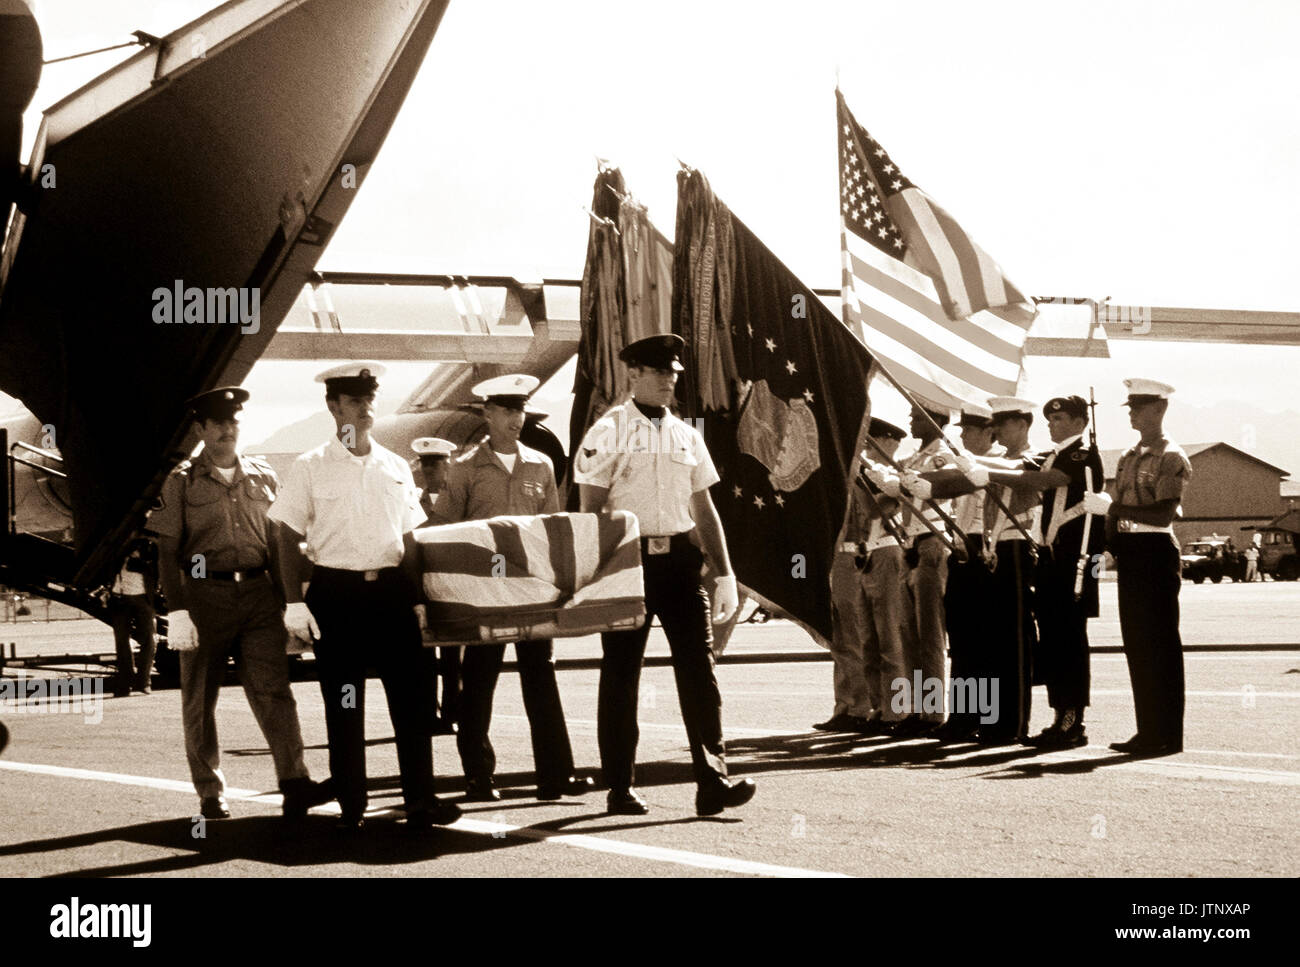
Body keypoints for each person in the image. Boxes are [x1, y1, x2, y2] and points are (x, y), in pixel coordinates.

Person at [269, 363, 460, 832]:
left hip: (392, 595)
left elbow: (410, 538)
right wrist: (293, 603)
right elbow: (285, 535)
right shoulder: (310, 466)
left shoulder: (395, 466)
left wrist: (417, 598)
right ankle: (352, 801)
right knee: (346, 702)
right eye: (355, 400)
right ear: (333, 406)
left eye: (370, 399)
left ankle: (420, 800)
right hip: (339, 596)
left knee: (412, 700)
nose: (366, 407)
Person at [575, 334, 754, 817]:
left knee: (700, 673)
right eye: (658, 372)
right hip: (627, 561)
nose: (668, 380)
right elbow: (590, 509)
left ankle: (713, 781)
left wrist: (725, 572)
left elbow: (704, 508)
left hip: (678, 562)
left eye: (673, 373)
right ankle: (619, 785)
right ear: (632, 374)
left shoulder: (686, 434)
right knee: (621, 674)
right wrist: (598, 577)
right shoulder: (608, 430)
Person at [152, 387, 332, 821]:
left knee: (275, 692)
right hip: (204, 597)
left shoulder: (263, 475)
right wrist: (177, 610)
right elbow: (168, 550)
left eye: (233, 422)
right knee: (200, 699)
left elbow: (277, 541)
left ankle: (294, 782)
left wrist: (292, 601)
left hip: (258, 596)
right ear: (201, 429)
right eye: (218, 423)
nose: (227, 430)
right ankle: (210, 791)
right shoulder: (181, 481)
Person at [428, 375, 594, 802]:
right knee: (478, 682)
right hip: (485, 594)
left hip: (530, 593)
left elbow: (550, 529)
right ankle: (478, 776)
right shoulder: (464, 469)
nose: (515, 418)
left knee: (541, 679)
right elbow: (446, 531)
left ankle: (555, 775)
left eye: (520, 409)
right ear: (487, 413)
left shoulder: (541, 464)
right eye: (506, 409)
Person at [982, 396, 1108, 749]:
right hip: (1052, 557)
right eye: (1050, 419)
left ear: (1081, 421)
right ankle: (1059, 717)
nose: (1052, 424)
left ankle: (1073, 720)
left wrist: (987, 472)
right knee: (1053, 639)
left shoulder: (1082, 453)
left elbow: (1044, 480)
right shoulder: (1055, 452)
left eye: (1061, 418)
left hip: (1076, 557)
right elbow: (1030, 470)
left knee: (1069, 639)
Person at [1106, 379, 1191, 758]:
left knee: (1160, 645)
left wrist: (1112, 510)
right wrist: (1112, 539)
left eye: (1140, 407)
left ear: (1159, 410)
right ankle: (1148, 729)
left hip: (1155, 548)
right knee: (1138, 645)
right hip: (1132, 549)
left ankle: (1167, 734)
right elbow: (1117, 502)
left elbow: (1162, 513)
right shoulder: (1127, 456)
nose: (1133, 413)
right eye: (1131, 407)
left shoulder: (1171, 456)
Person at [821, 417, 913, 735]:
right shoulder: (852, 470)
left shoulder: (888, 474)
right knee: (856, 638)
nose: (864, 445)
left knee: (890, 636)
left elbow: (878, 510)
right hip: (854, 551)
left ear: (887, 443)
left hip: (883, 549)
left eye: (871, 441)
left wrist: (864, 476)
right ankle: (862, 706)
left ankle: (897, 709)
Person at [974, 397, 1041, 745]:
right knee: (993, 639)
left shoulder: (1036, 458)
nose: (996, 429)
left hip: (1017, 547)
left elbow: (1025, 480)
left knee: (1014, 639)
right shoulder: (996, 461)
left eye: (1003, 422)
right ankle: (993, 718)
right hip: (997, 549)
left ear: (1022, 424)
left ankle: (1013, 723)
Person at [930, 403, 999, 743]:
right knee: (962, 639)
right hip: (960, 549)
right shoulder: (966, 465)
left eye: (969, 430)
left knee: (983, 640)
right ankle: (962, 715)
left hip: (983, 549)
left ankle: (986, 716)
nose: (963, 436)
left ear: (990, 432)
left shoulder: (995, 463)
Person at [887, 406, 956, 737]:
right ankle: (916, 707)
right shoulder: (914, 458)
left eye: (916, 417)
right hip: (909, 541)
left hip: (932, 541)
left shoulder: (943, 456)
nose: (910, 421)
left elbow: (940, 491)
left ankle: (932, 711)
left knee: (929, 632)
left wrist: (908, 482)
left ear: (937, 420)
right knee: (907, 632)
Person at [412, 436, 461, 735]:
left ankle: (453, 712)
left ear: (448, 465)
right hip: (421, 588)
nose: (430, 469)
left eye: (437, 463)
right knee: (423, 657)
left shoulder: (456, 501)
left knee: (454, 657)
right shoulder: (411, 501)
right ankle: (427, 713)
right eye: (426, 463)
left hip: (452, 586)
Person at [108, 535, 158, 696]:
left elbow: (158, 568)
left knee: (149, 640)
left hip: (141, 597)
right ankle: (126, 682)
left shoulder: (149, 546)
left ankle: (143, 681)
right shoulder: (117, 547)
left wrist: (142, 565)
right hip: (120, 596)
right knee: (122, 641)